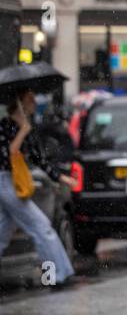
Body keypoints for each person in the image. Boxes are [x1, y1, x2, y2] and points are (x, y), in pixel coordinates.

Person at [0, 88, 77, 287]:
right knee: (41, 227)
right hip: (6, 181)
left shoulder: (28, 127)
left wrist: (61, 177)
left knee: (2, 231)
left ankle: (61, 272)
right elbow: (7, 154)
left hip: (13, 182)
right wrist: (22, 132)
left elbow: (38, 159)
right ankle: (57, 275)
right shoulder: (5, 125)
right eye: (31, 100)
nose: (35, 103)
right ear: (20, 103)